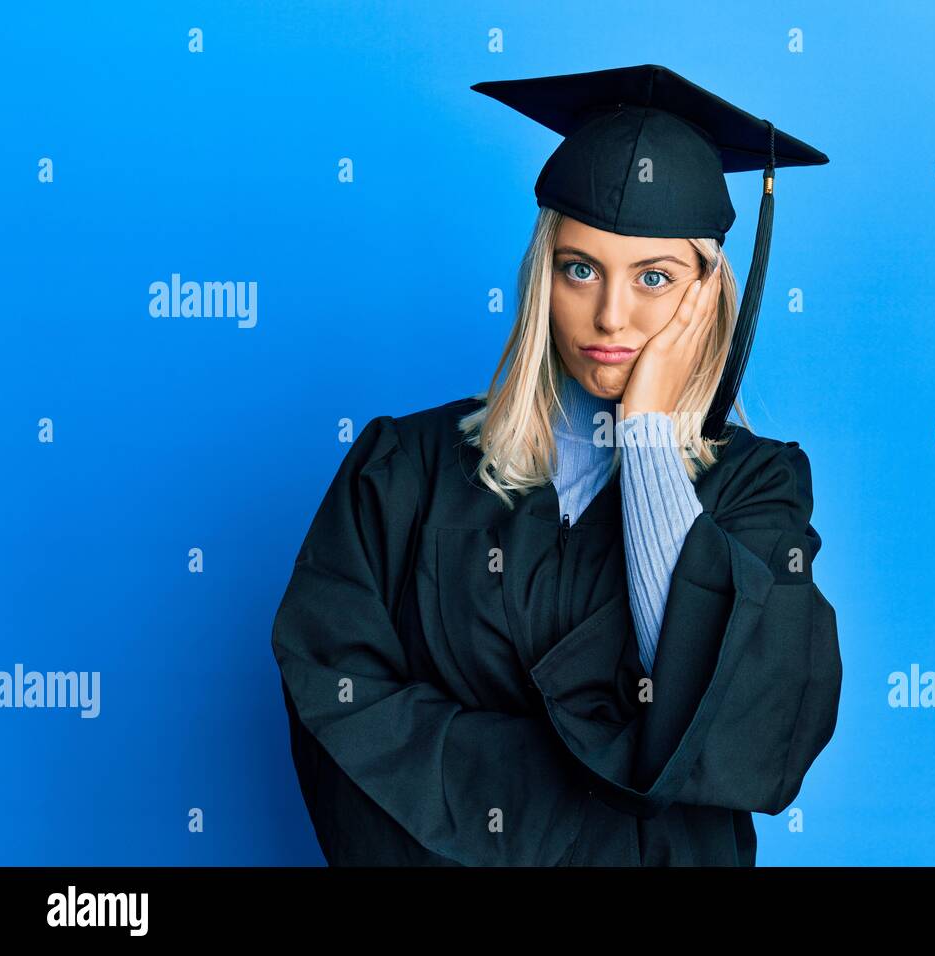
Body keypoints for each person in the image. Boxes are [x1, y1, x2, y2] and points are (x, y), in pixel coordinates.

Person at [270, 64, 842, 866]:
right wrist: (602, 794)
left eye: (655, 278)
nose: (611, 314)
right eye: (581, 269)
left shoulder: (757, 488)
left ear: (707, 296)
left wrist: (645, 437)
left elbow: (748, 723)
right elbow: (340, 708)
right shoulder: (404, 471)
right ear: (544, 274)